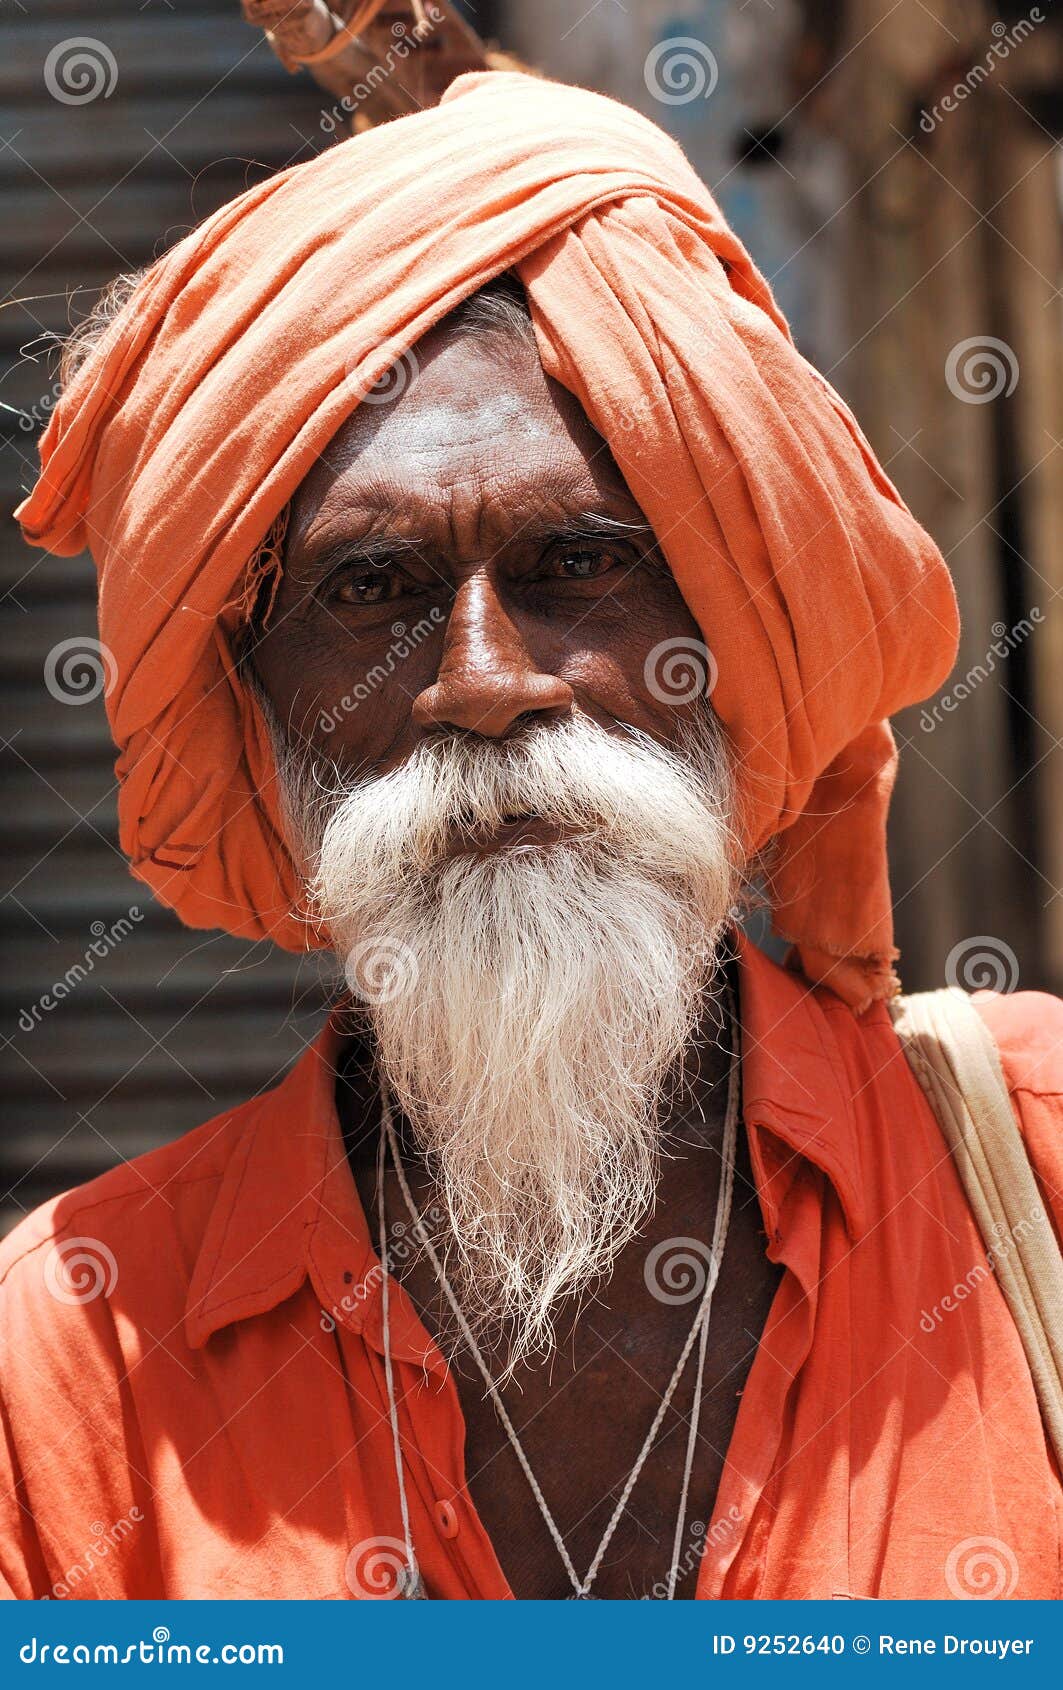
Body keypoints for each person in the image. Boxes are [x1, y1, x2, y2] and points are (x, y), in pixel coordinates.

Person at [3, 71, 1060, 1602]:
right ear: (259, 699)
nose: (485, 685)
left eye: (582, 563)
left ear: (729, 625)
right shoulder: (72, 1365)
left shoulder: (1033, 1167)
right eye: (368, 592)